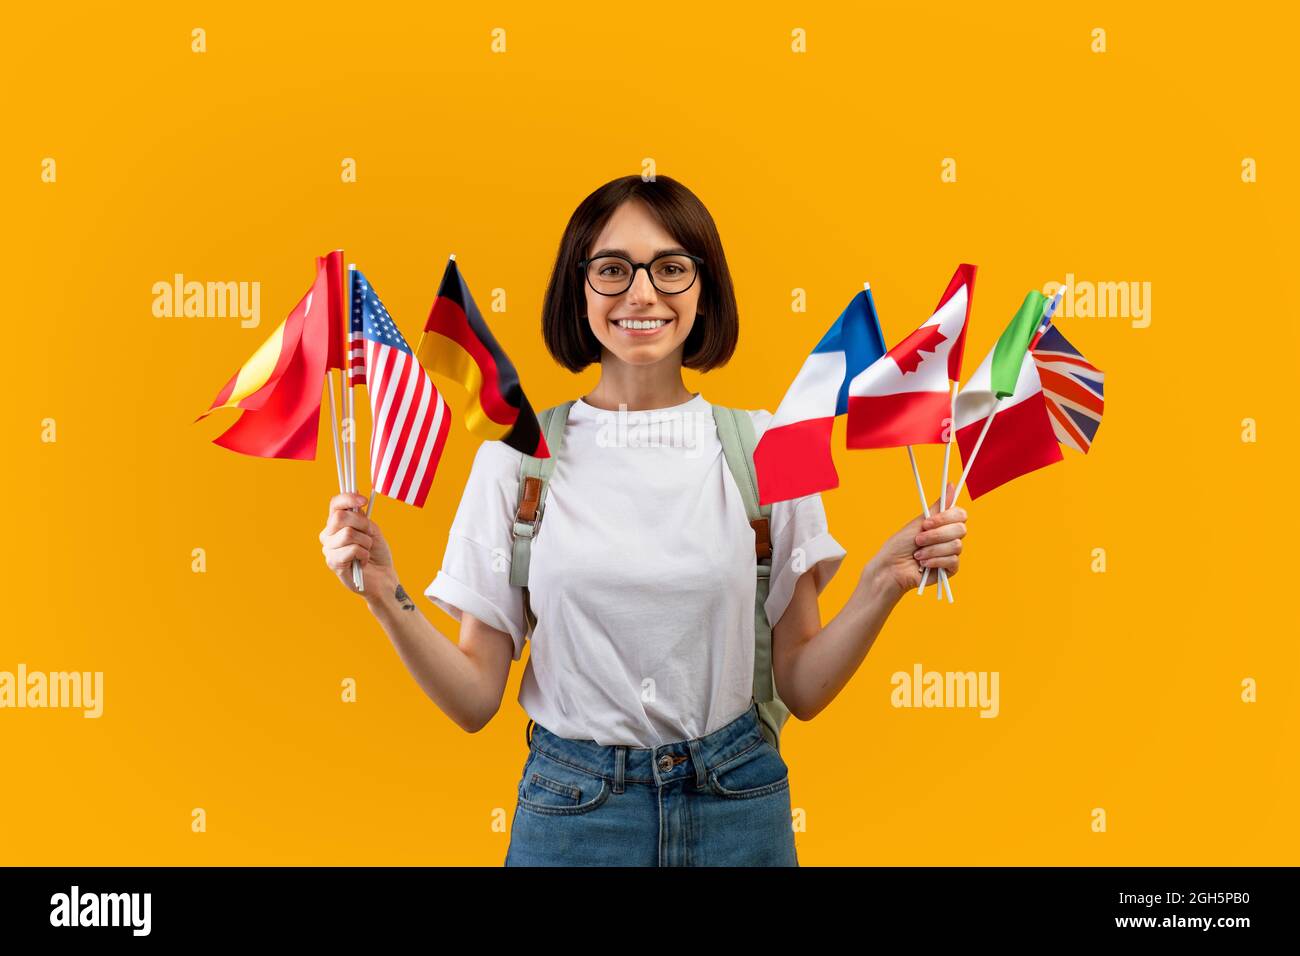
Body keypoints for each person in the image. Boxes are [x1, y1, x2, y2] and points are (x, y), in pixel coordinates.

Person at [319, 175, 969, 866]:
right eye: (612, 269)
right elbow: (476, 698)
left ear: (703, 288)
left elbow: (802, 687)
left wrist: (882, 583)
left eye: (670, 268)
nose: (641, 292)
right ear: (581, 290)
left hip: (738, 806)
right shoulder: (517, 461)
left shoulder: (766, 446)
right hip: (574, 818)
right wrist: (384, 592)